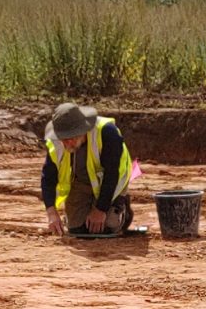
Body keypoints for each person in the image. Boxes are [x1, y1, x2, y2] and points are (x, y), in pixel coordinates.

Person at [39, 102, 136, 238]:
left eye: (70, 139)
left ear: (83, 130)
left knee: (105, 227)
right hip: (80, 184)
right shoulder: (56, 141)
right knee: (78, 230)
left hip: (110, 184)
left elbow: (112, 174)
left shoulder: (107, 133)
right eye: (63, 140)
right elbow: (48, 177)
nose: (67, 144)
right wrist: (51, 212)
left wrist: (100, 209)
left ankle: (121, 208)